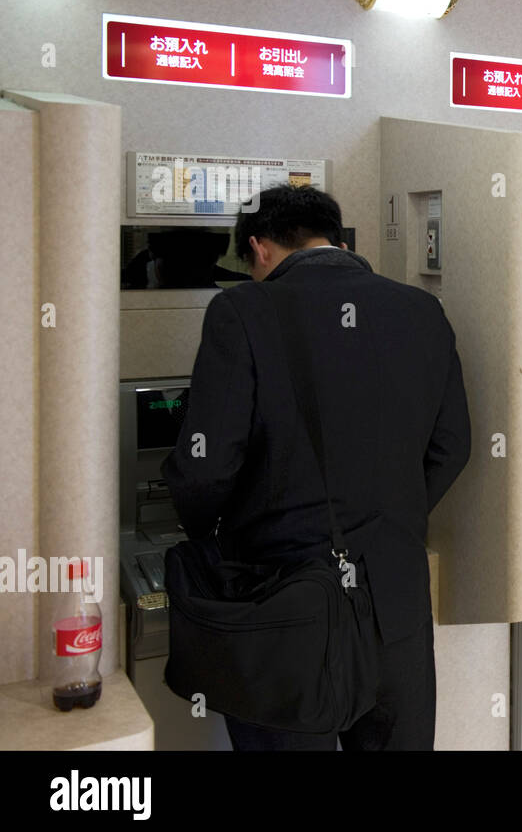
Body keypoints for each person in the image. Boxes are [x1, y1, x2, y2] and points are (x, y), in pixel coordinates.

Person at [161, 184, 471, 750]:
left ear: (258, 248)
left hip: (284, 610)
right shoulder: (420, 310)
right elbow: (452, 445)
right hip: (395, 605)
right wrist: (384, 520)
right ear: (334, 236)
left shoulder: (241, 311)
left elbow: (204, 466)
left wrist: (203, 532)